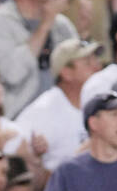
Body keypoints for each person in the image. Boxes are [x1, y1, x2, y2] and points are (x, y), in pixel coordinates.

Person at [13, 38, 101, 173]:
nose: (97, 66)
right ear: (66, 72)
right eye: (87, 62)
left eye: (95, 59)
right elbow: (19, 165)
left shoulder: (97, 102)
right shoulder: (42, 111)